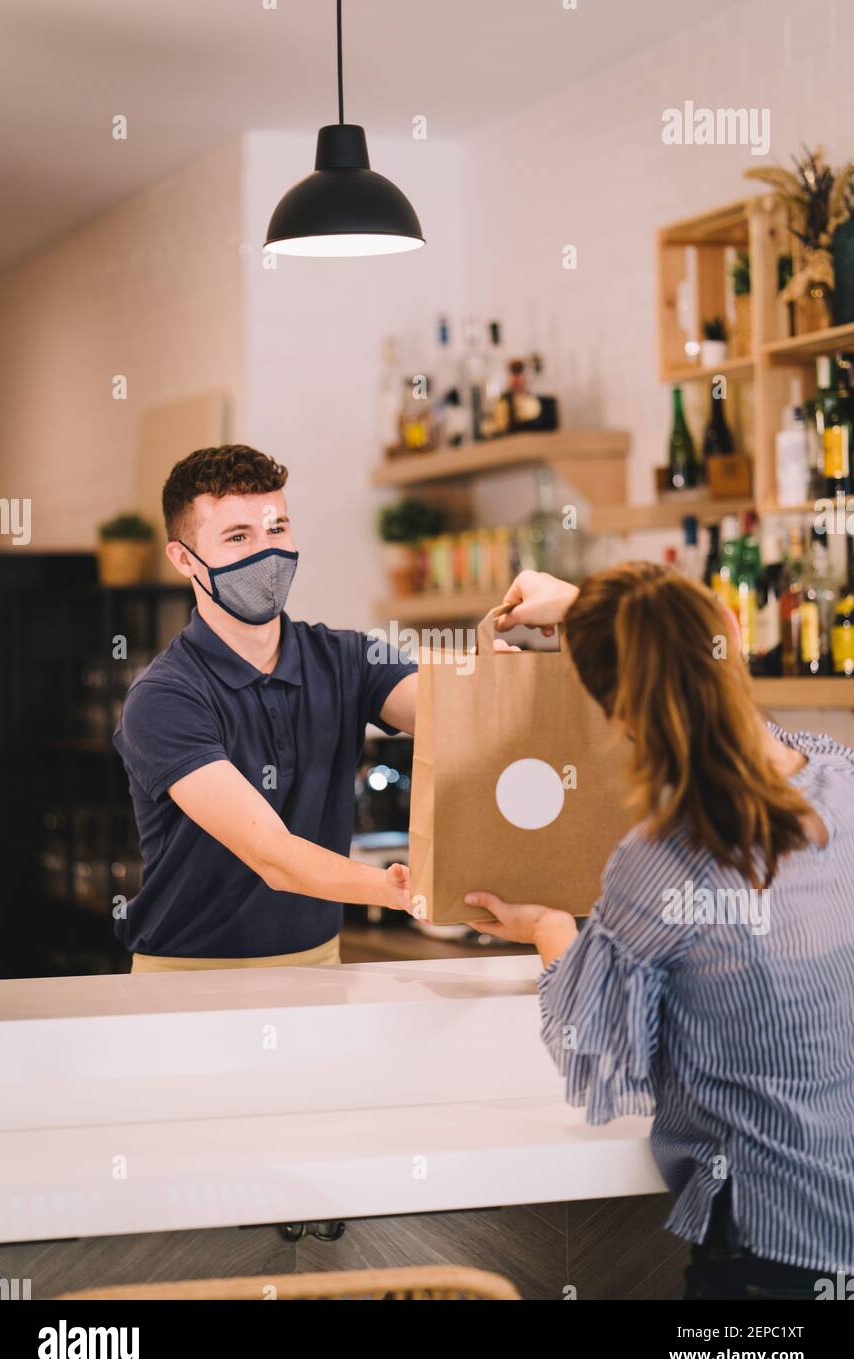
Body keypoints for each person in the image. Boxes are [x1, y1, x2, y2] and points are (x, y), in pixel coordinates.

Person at [465, 563, 854, 1300]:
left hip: (770, 1250)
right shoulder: (839, 780)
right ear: (735, 635)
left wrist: (552, 931)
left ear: (617, 718)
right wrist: (593, 616)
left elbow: (598, 1052)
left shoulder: (664, 860)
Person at [112, 444, 419, 972]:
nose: (267, 553)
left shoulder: (348, 658)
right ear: (184, 558)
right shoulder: (164, 697)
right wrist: (403, 891)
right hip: (187, 980)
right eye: (238, 537)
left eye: (276, 529)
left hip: (320, 966)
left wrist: (491, 683)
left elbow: (450, 719)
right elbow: (272, 855)